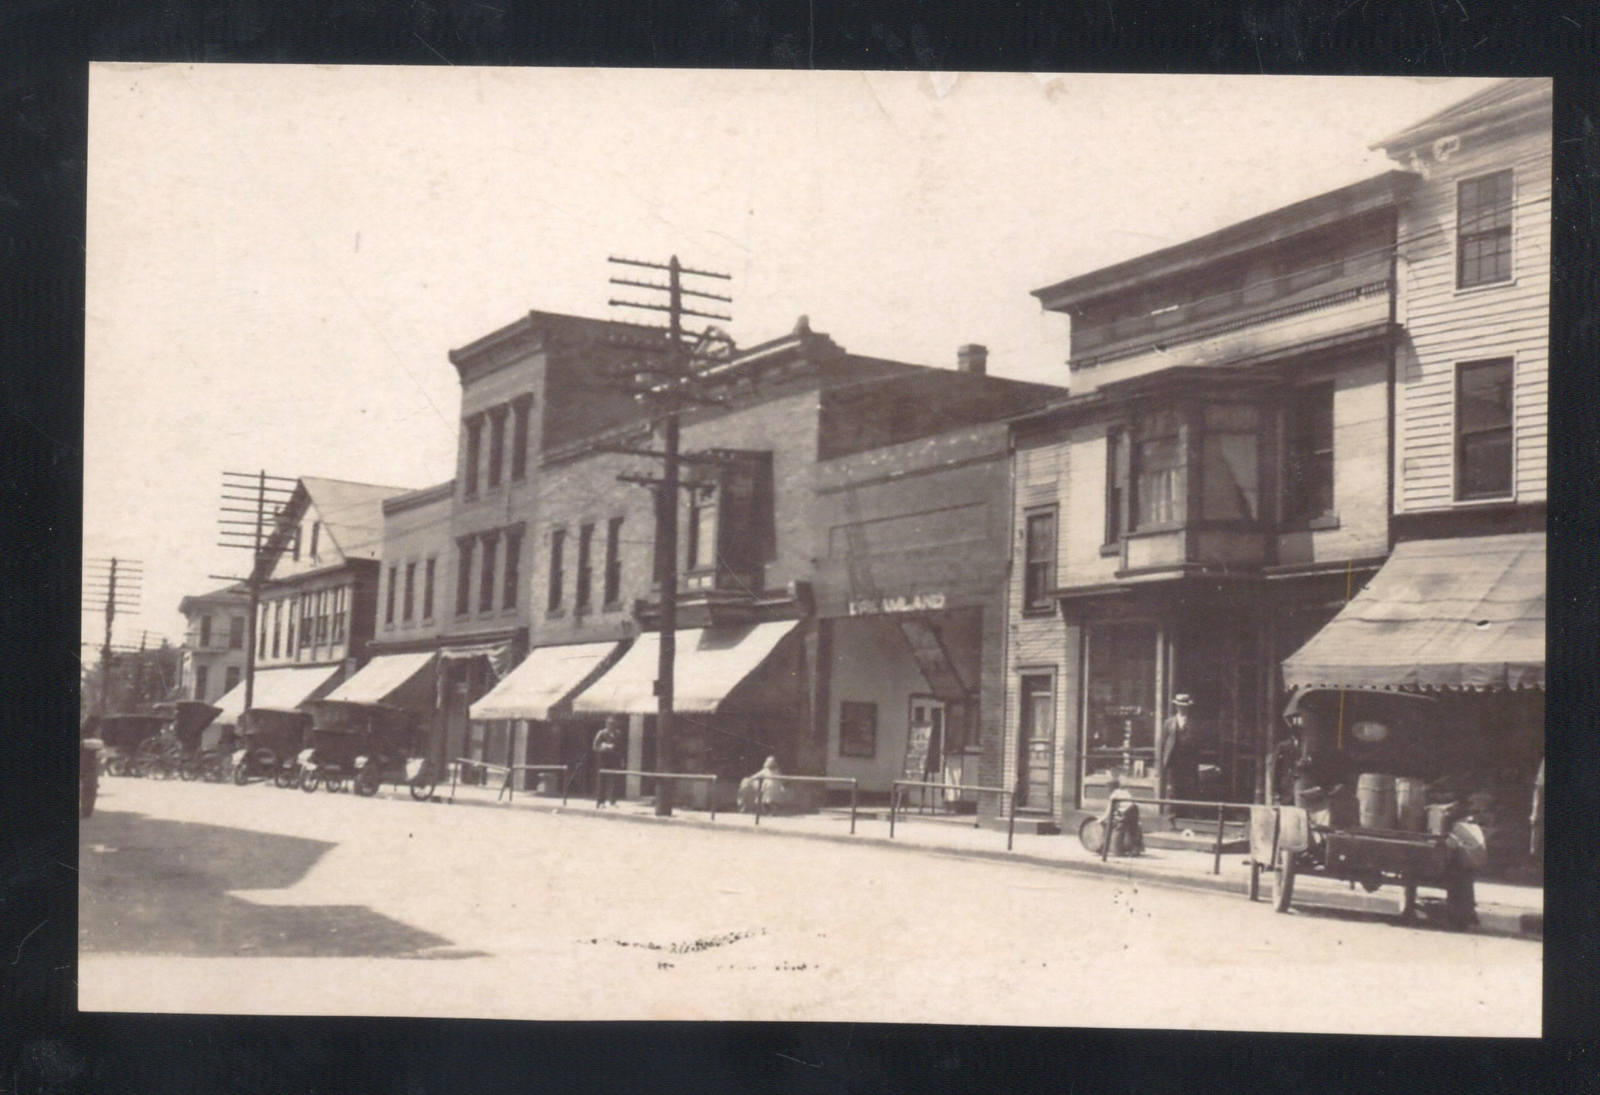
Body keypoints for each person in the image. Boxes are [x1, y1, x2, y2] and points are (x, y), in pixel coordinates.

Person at [1160, 693, 1199, 805]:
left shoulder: (1193, 723)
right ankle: (1173, 810)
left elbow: (1197, 744)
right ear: (1176, 707)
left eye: (1184, 707)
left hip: (1188, 763)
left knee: (1188, 790)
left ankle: (1186, 811)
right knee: (1173, 790)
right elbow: (1163, 743)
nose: (1182, 709)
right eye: (1180, 706)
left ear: (1188, 707)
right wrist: (1164, 761)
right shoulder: (1169, 723)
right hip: (1173, 762)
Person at [1101, 776, 1143, 857]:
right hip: (1134, 810)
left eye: (1108, 787)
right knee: (1132, 830)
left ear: (1111, 787)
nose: (1108, 789)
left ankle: (1118, 851)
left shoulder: (1114, 795)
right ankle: (1135, 850)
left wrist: (1100, 820)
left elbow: (1109, 811)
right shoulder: (1125, 792)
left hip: (1127, 811)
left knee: (1119, 829)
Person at [592, 716, 624, 807]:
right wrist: (603, 747)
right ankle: (601, 802)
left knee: (615, 781)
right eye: (609, 724)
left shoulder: (618, 734)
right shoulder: (601, 733)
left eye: (613, 724)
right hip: (604, 760)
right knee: (602, 781)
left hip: (615, 760)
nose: (611, 726)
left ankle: (613, 801)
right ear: (606, 724)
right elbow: (595, 746)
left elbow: (621, 747)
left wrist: (621, 759)